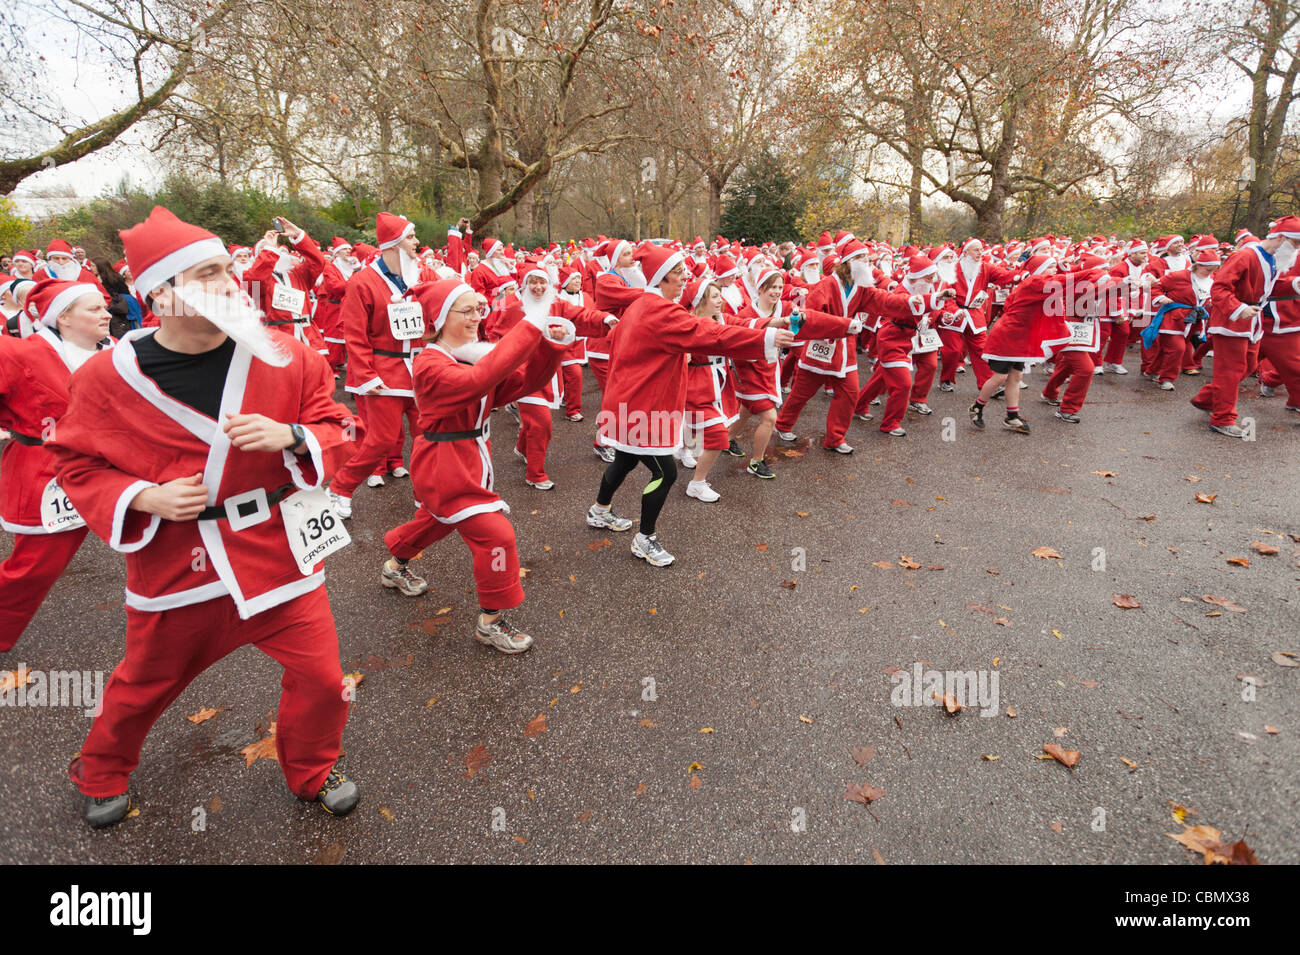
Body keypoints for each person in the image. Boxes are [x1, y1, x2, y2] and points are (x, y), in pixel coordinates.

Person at [47, 206, 364, 829]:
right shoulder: (107, 377)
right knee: (144, 683)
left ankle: (312, 767)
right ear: (160, 294)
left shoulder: (287, 356)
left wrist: (296, 436)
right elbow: (73, 465)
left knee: (325, 680)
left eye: (229, 268)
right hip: (177, 563)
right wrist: (143, 497)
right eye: (209, 273)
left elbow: (341, 427)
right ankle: (102, 769)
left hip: (278, 551)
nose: (231, 282)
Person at [378, 279, 576, 652]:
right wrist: (531, 324)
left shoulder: (467, 354)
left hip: (466, 458)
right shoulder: (430, 362)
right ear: (440, 317)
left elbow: (524, 381)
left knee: (435, 522)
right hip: (445, 465)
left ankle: (394, 566)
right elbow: (481, 379)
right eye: (466, 310)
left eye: (478, 309)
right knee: (496, 537)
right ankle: (491, 620)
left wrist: (551, 346)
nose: (475, 318)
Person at [587, 244, 793, 567]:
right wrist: (764, 341)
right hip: (642, 408)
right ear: (661, 277)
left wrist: (760, 330)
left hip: (625, 403)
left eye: (683, 271)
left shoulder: (642, 304)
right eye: (678, 272)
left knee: (625, 460)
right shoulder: (661, 311)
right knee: (666, 473)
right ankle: (645, 538)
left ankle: (599, 510)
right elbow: (710, 334)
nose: (685, 278)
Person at [0, 279, 112, 646]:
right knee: (33, 569)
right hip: (48, 474)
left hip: (116, 469)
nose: (106, 314)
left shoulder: (115, 351)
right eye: (94, 309)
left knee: (172, 536)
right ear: (63, 316)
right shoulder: (22, 354)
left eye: (104, 306)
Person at [329, 212, 424, 518]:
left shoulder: (418, 275)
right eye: (410, 237)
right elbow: (354, 334)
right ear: (393, 244)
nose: (417, 242)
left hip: (418, 371)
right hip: (383, 373)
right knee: (381, 440)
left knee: (427, 435)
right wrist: (367, 376)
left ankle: (427, 494)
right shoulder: (362, 282)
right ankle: (340, 488)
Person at [1192, 215, 1300, 437]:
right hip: (1231, 321)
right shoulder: (1245, 256)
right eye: (1296, 243)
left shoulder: (1271, 258)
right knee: (1230, 371)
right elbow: (1219, 288)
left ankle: (1207, 398)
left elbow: (1270, 289)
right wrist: (1239, 308)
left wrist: (1295, 284)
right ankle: (1222, 418)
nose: (1298, 249)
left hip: (1251, 321)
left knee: (1248, 366)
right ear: (1281, 238)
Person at [973, 254, 1073, 433]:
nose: (1054, 270)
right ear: (1039, 270)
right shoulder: (1034, 284)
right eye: (1049, 268)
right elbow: (1068, 283)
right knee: (1000, 377)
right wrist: (1095, 275)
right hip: (1007, 336)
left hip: (1019, 338)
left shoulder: (1040, 285)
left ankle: (1012, 417)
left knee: (1016, 378)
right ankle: (977, 407)